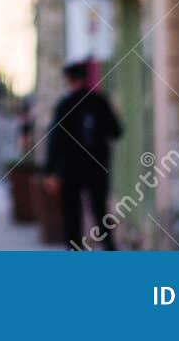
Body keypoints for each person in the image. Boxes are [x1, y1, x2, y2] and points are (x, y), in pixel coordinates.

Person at [44, 59, 123, 249]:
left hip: (70, 168)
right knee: (100, 211)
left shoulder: (64, 105)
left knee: (72, 214)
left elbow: (54, 140)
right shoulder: (100, 102)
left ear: (69, 80)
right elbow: (116, 132)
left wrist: (50, 171)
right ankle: (110, 249)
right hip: (97, 166)